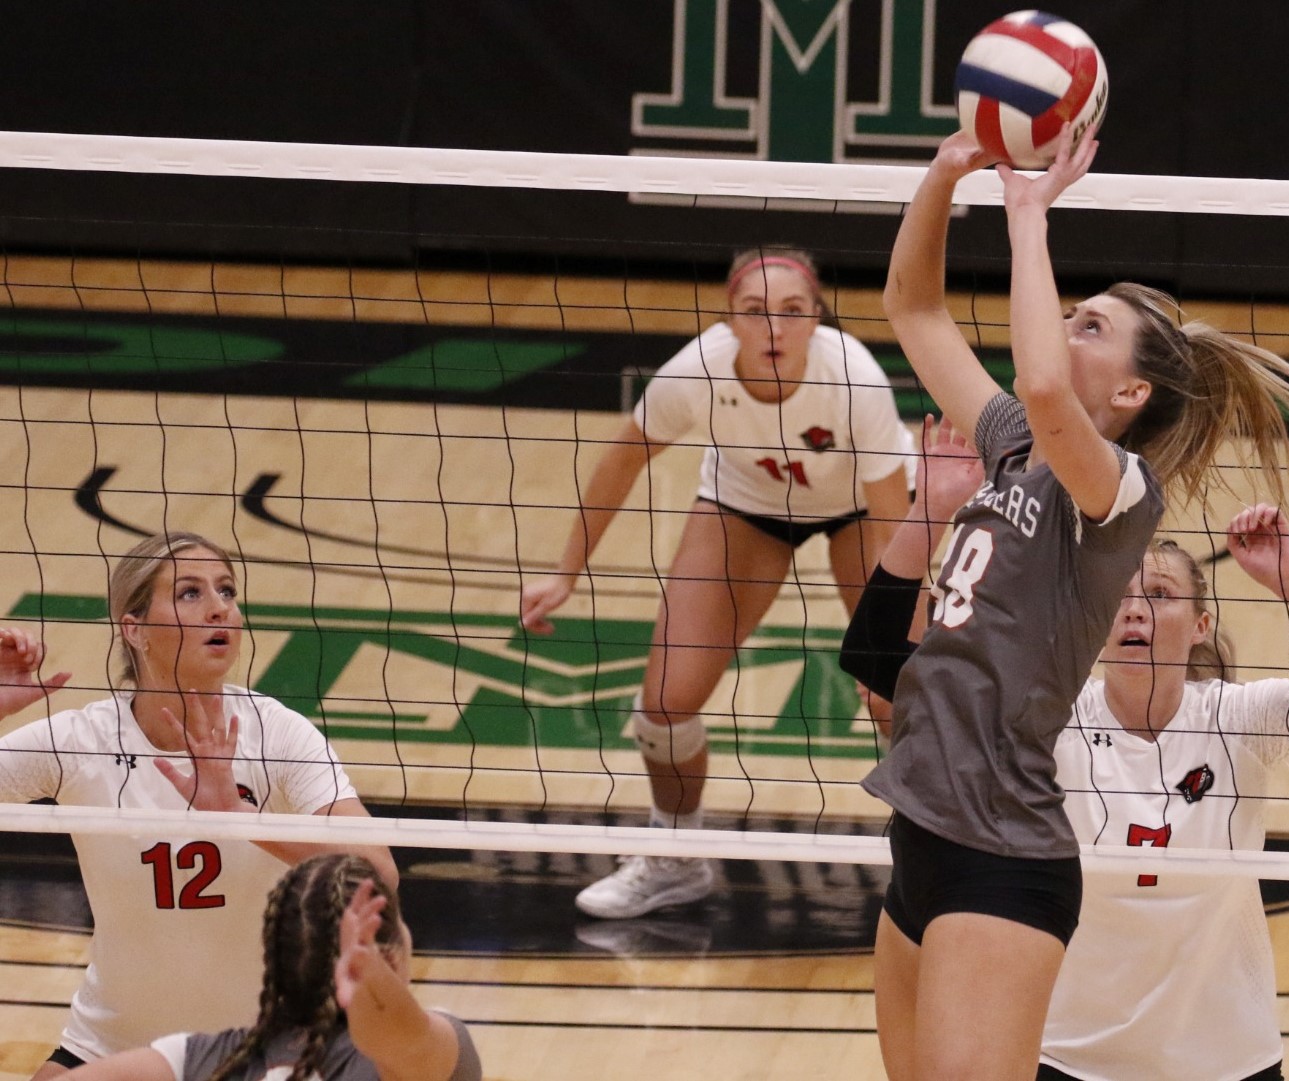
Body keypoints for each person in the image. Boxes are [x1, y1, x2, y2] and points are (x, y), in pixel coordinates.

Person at [857, 129, 1289, 1081]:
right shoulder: (1009, 449)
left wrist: (1029, 214)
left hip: (1000, 852)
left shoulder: (1119, 493)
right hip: (922, 824)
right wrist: (946, 177)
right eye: (1069, 314)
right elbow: (911, 308)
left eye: (1090, 325)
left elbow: (1041, 385)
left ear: (1129, 390)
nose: (1064, 328)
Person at [843, 423, 1289, 1081]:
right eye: (1119, 597)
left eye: (1159, 595)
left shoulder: (1239, 718)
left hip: (1223, 1060)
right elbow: (875, 660)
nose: (1135, 612)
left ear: (1202, 623)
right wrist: (931, 510)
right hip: (1062, 1056)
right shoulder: (1044, 717)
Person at [519, 245, 915, 922]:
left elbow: (891, 521)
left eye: (792, 312)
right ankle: (675, 856)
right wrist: (565, 572)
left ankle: (933, 856)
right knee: (664, 704)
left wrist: (886, 636)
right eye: (755, 311)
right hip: (746, 506)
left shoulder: (853, 376)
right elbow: (620, 465)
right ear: (729, 319)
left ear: (817, 317)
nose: (774, 329)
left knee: (899, 697)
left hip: (862, 512)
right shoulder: (697, 371)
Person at [0, 532, 397, 1078]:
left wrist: (238, 820)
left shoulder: (277, 734)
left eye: (227, 591)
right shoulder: (81, 740)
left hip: (264, 1047)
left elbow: (378, 872)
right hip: (112, 1045)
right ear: (134, 629)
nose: (219, 609)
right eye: (190, 593)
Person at [64, 853, 481, 1081]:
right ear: (389, 955)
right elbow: (406, 1042)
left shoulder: (200, 1057)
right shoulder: (431, 1054)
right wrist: (373, 979)